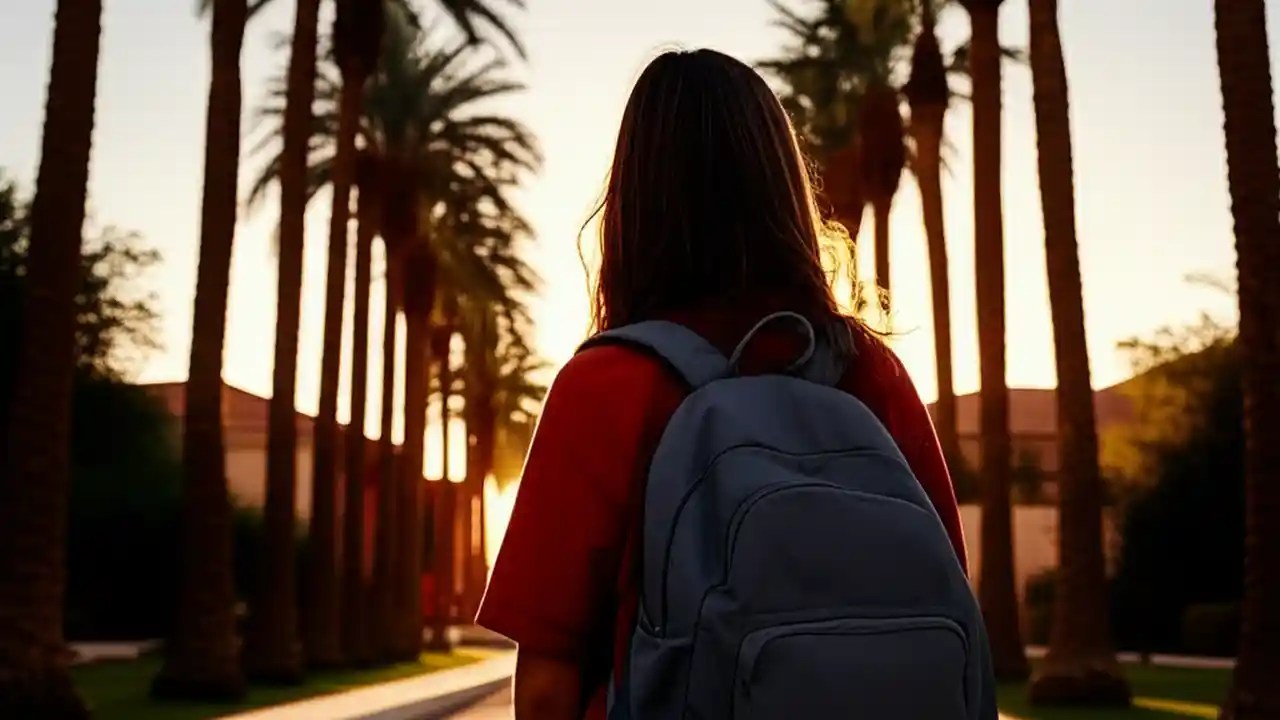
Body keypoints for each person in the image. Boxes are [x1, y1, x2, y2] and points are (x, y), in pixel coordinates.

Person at [476, 48, 969, 720]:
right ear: (783, 188)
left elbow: (545, 690)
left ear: (635, 200)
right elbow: (944, 593)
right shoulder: (869, 373)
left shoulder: (607, 386)